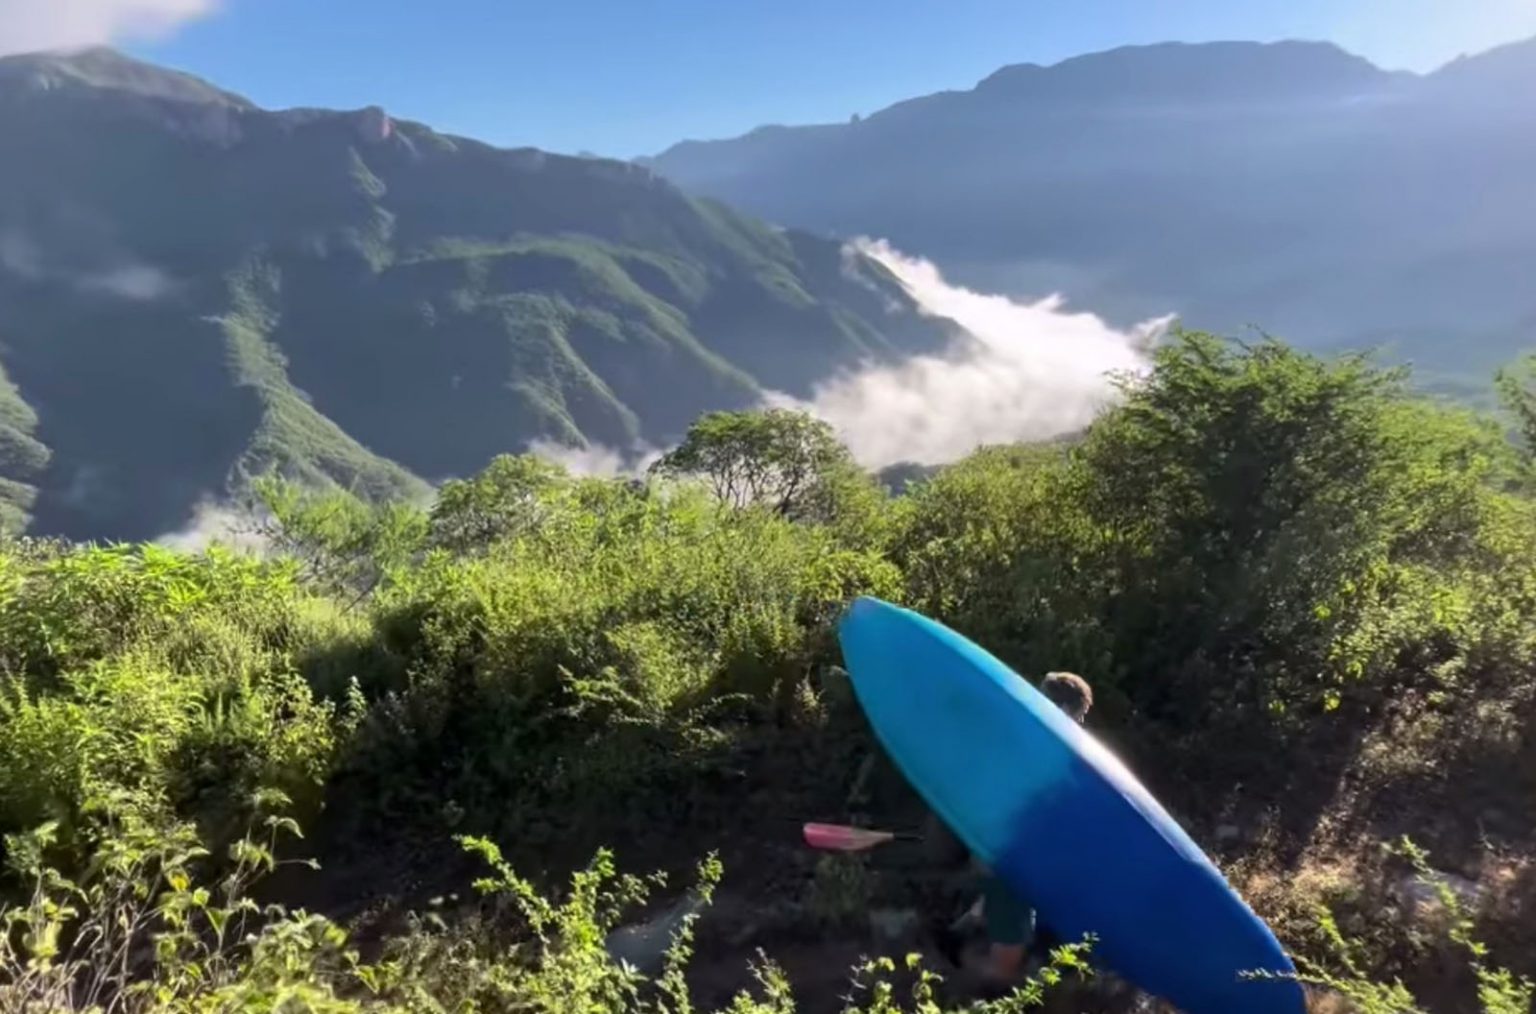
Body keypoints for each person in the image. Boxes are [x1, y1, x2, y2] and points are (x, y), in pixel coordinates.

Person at [931, 672, 1094, 992]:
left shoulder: (1019, 738)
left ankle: (957, 935)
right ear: (1063, 709)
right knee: (1011, 946)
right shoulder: (1042, 748)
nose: (1081, 722)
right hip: (1011, 854)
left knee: (1004, 903)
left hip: (1004, 848)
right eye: (1079, 714)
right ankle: (995, 997)